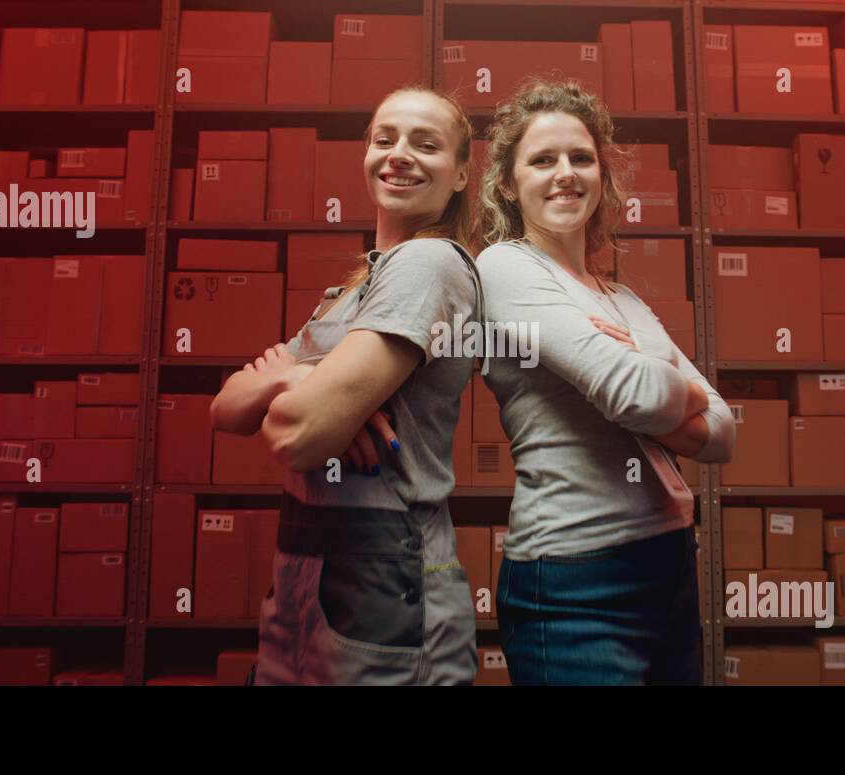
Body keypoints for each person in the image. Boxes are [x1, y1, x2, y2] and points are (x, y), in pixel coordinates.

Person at [209, 86, 481, 685]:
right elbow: (226, 408)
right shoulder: (355, 290)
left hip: (384, 572)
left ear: (462, 173)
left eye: (426, 145)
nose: (400, 154)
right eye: (385, 140)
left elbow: (298, 434)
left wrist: (296, 389)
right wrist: (304, 376)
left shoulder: (428, 265)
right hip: (307, 573)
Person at [474, 79, 736, 685]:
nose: (565, 173)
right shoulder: (506, 267)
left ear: (601, 176)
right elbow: (636, 394)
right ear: (509, 185)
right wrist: (670, 383)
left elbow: (723, 435)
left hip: (670, 563)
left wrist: (651, 381)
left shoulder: (622, 299)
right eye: (542, 160)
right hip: (573, 579)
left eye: (581, 158)